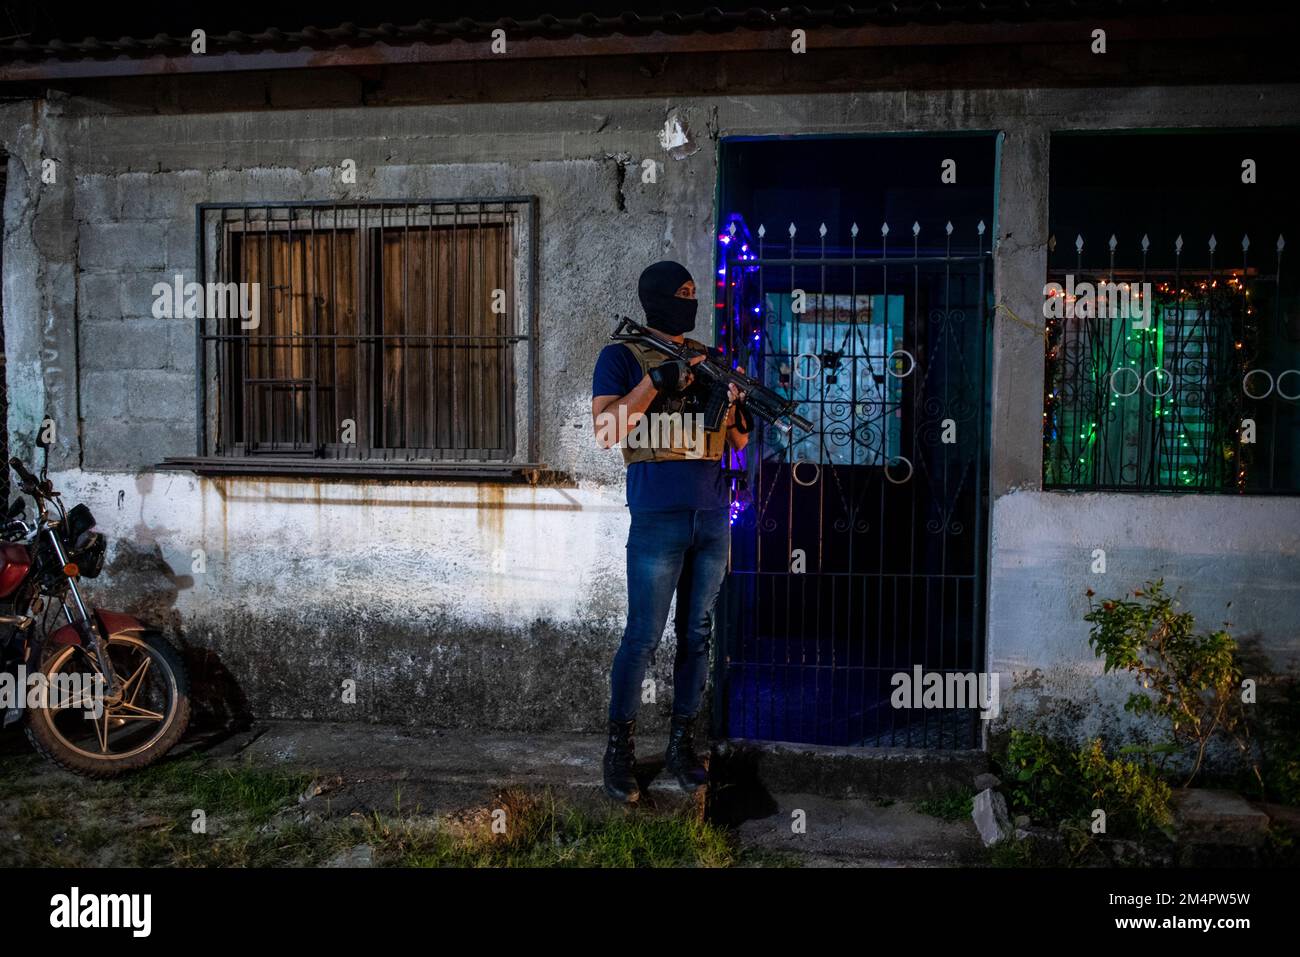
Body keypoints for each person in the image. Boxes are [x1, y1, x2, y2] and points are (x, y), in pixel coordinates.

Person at [590, 260, 749, 803]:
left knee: (697, 634)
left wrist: (732, 405)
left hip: (710, 517)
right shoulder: (621, 356)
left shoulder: (709, 359)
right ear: (656, 296)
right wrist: (654, 383)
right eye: (682, 292)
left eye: (694, 292)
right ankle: (620, 752)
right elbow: (607, 431)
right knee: (641, 637)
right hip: (657, 519)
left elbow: (736, 446)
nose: (691, 300)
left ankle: (682, 744)